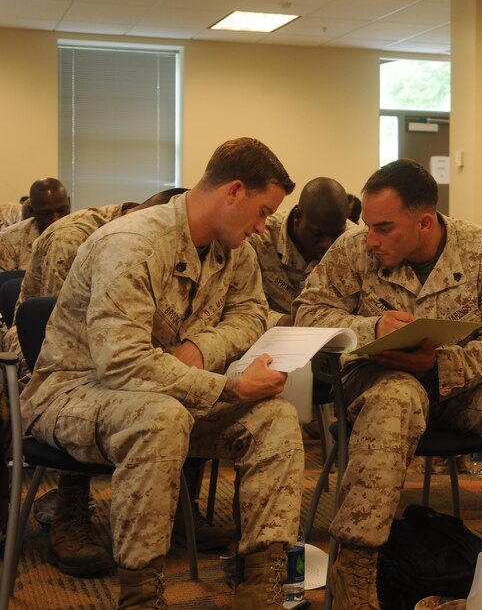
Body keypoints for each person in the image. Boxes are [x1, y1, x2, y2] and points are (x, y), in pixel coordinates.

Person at [19, 138, 303, 607]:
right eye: (262, 212)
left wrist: (197, 349)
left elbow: (252, 314)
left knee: (274, 418)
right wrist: (228, 385)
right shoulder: (130, 245)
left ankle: (262, 589)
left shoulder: (235, 250)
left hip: (167, 393)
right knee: (160, 418)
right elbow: (123, 364)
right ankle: (141, 596)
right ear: (233, 190)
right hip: (75, 392)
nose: (262, 227)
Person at [295, 159, 482, 610]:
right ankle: (357, 569)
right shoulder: (354, 250)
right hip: (382, 379)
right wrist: (372, 328)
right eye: (368, 225)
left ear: (424, 222)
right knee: (395, 398)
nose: (371, 239)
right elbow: (307, 313)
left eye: (385, 228)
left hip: (466, 387)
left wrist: (438, 365)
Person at [3, 187, 200, 577]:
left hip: (115, 356)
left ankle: (176, 506)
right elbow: (67, 343)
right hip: (42, 361)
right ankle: (69, 515)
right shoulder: (73, 239)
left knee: (180, 376)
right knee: (111, 381)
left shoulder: (174, 245)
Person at [249, 177, 351, 327]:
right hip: (269, 340)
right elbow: (245, 307)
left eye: (336, 234)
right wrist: (285, 322)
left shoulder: (352, 243)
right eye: (317, 233)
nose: (327, 244)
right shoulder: (260, 236)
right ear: (297, 216)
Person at [0, 178, 71, 271]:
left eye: (62, 210)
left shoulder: (86, 235)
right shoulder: (8, 240)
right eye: (46, 213)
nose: (56, 220)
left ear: (69, 203)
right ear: (31, 211)